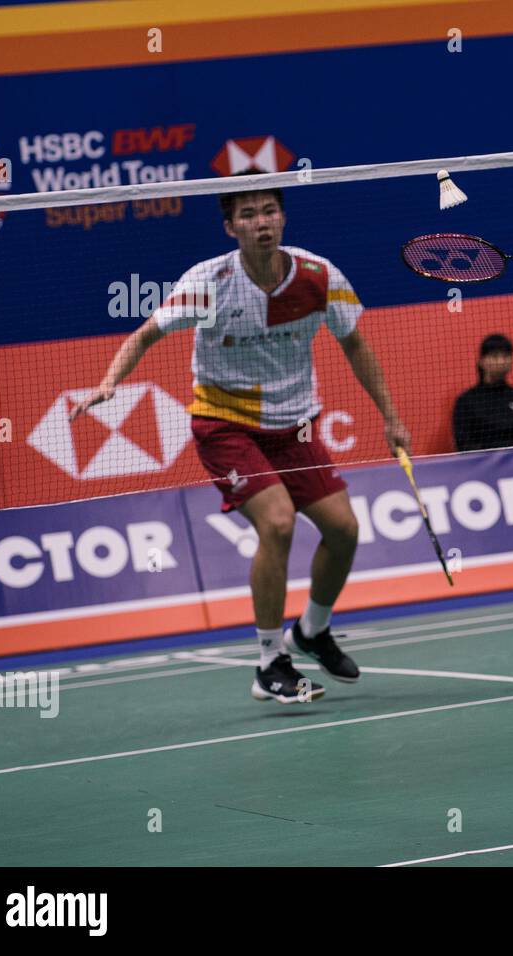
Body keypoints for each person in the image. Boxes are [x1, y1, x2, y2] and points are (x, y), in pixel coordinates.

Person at [72, 175, 410, 704]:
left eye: (270, 210)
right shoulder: (208, 282)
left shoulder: (319, 276)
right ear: (230, 227)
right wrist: (110, 382)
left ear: (283, 217)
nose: (262, 222)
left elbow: (356, 345)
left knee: (344, 530)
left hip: (294, 427)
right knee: (277, 523)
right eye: (248, 215)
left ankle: (312, 632)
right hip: (225, 424)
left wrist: (391, 416)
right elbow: (145, 334)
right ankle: (269, 661)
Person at [452, 333, 513, 451]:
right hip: (484, 466)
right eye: (495, 356)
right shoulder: (466, 401)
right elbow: (463, 443)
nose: (501, 362)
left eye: (506, 356)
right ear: (482, 361)